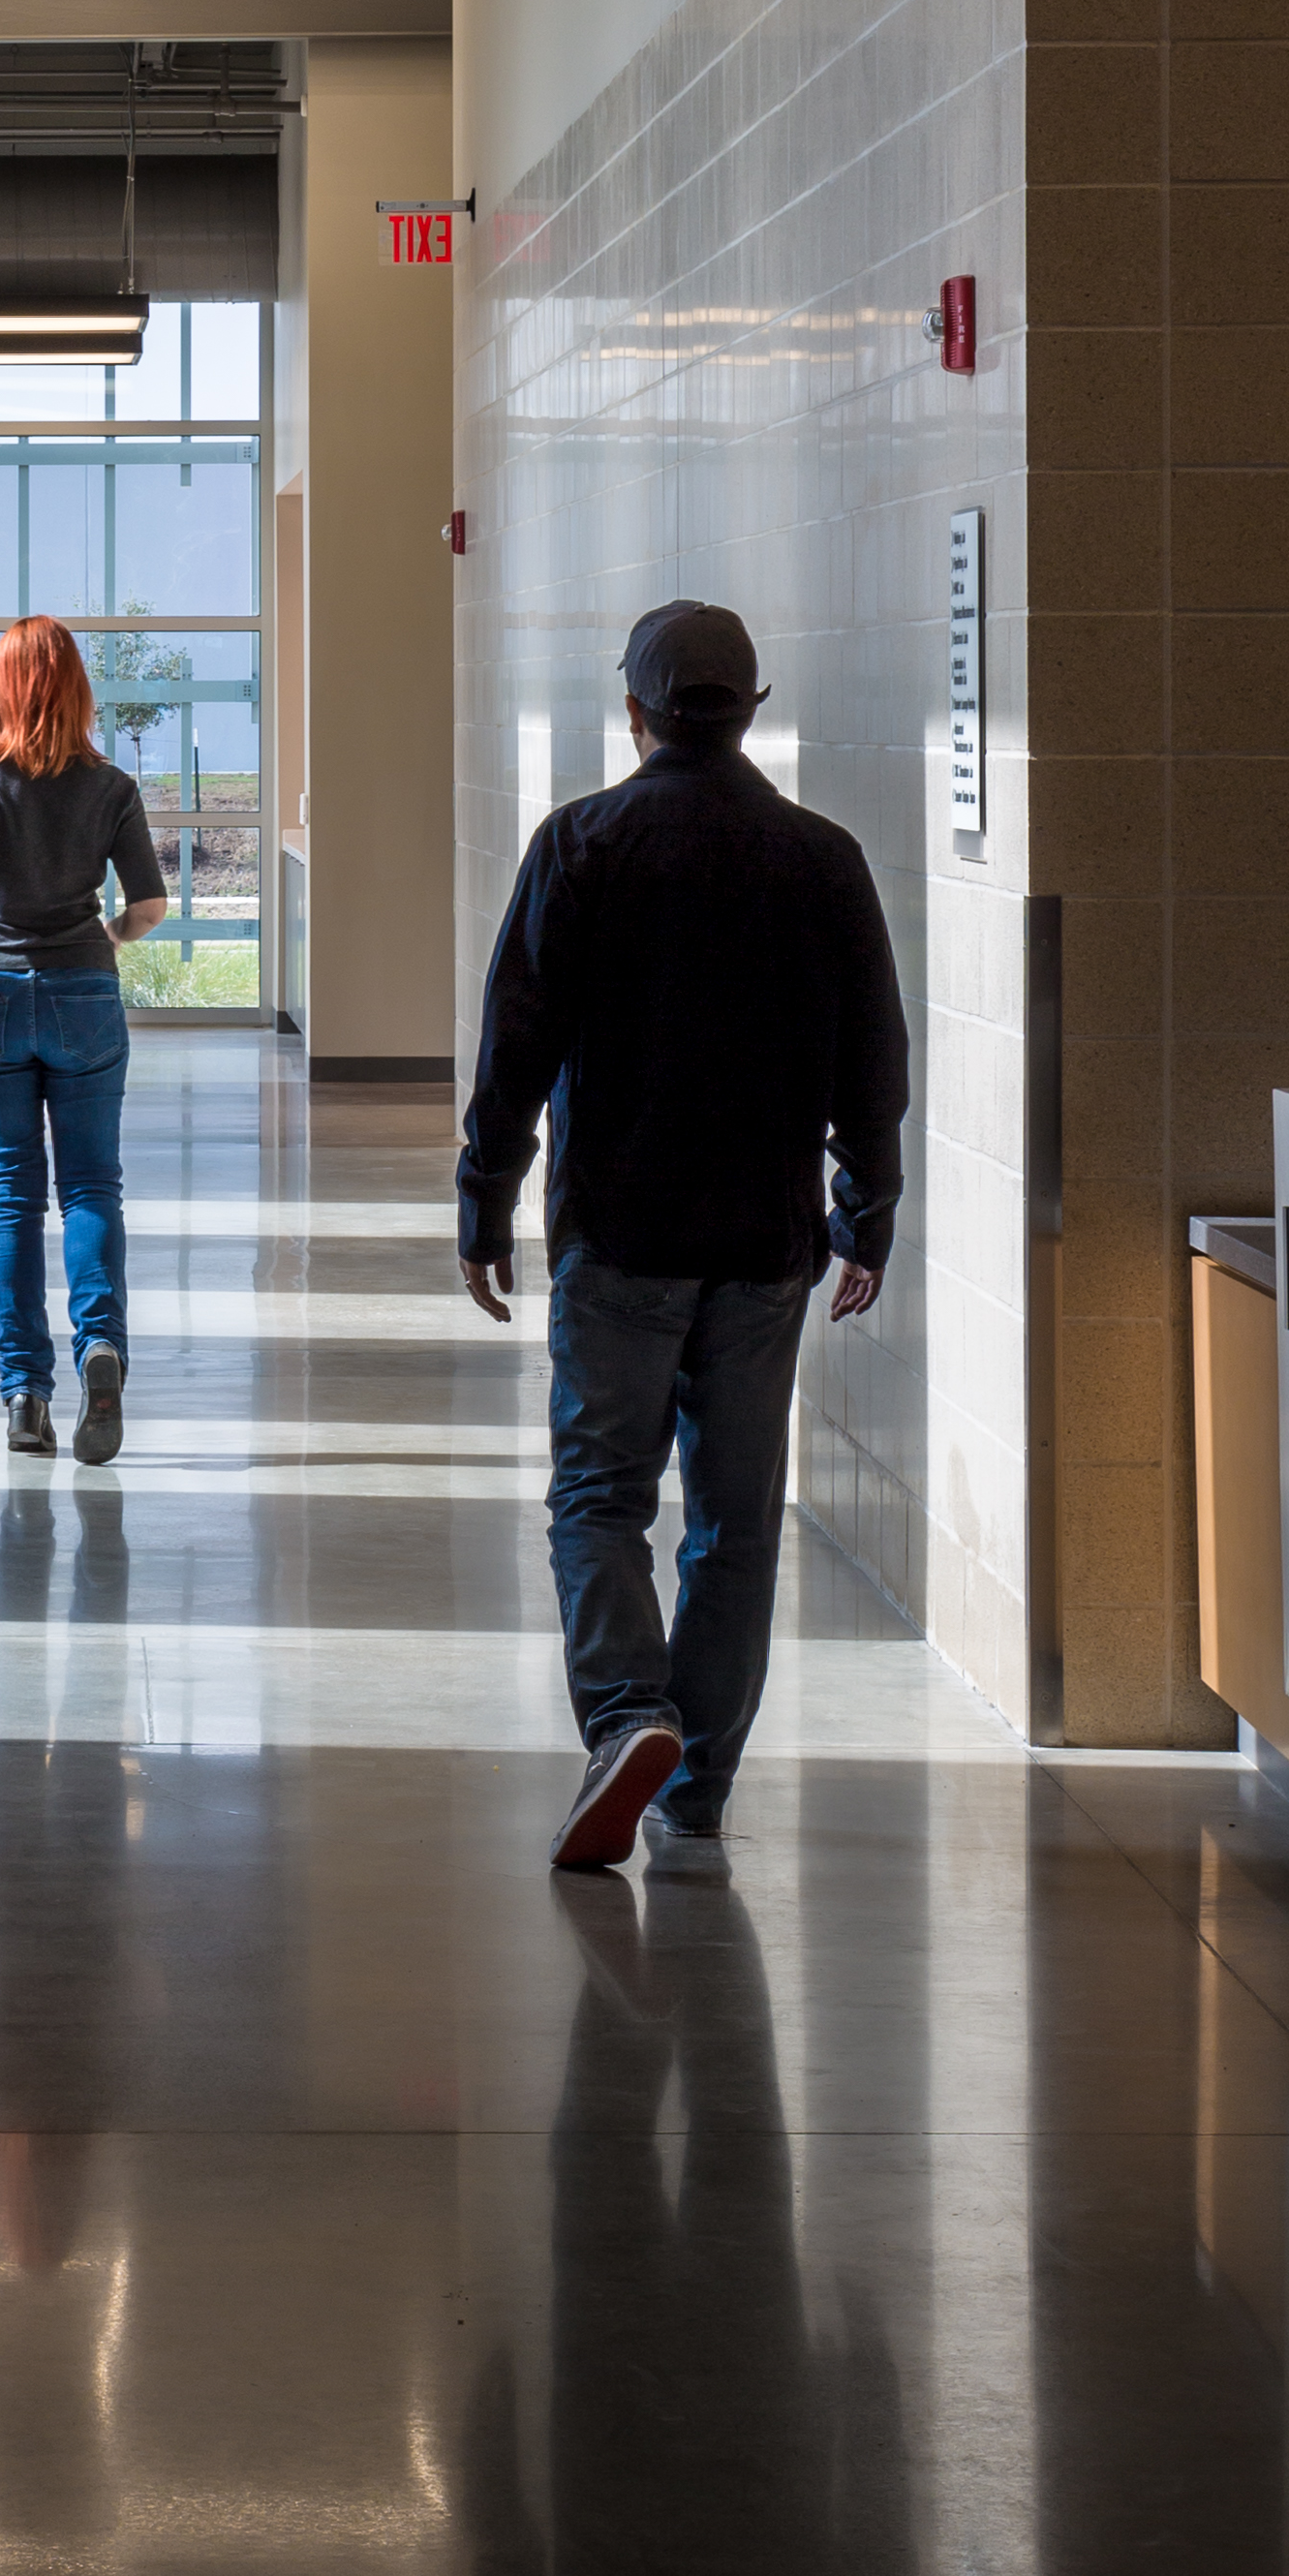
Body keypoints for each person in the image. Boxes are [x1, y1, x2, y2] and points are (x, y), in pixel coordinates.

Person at [459, 598, 906, 1873]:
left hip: (620, 1234)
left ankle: (625, 1718)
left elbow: (516, 1043)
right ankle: (695, 1785)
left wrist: (484, 1196)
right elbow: (874, 1060)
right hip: (765, 1245)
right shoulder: (823, 859)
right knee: (736, 1517)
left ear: (635, 713)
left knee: (600, 1494)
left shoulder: (581, 844)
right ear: (750, 710)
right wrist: (866, 1211)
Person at [0, 614, 169, 1465]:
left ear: (1, 689)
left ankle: (25, 1395)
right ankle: (101, 1346)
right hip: (83, 994)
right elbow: (149, 906)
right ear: (77, 692)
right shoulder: (112, 786)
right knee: (91, 1185)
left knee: (11, 1196)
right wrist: (108, 939)